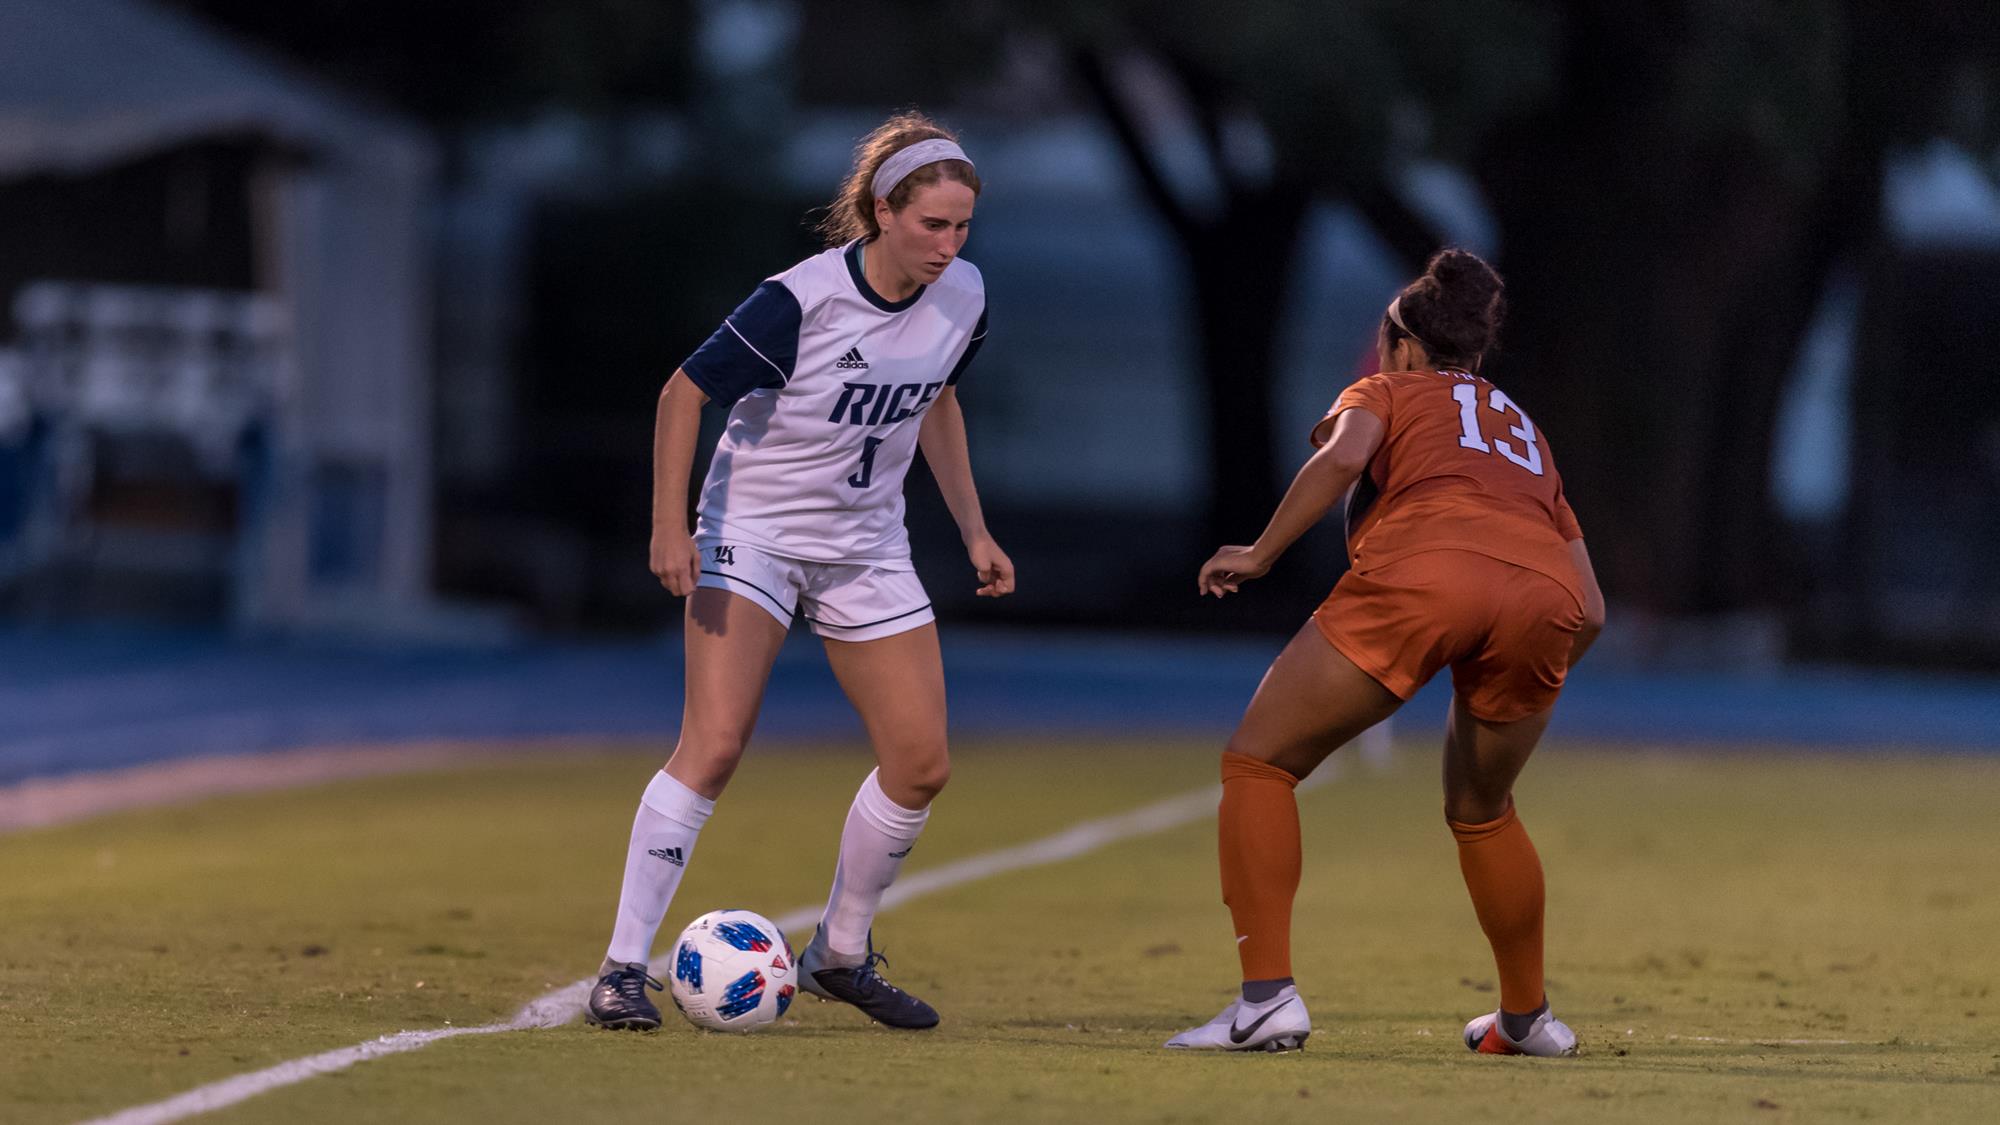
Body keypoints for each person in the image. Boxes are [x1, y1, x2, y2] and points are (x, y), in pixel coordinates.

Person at [584, 111, 1011, 1033]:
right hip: (754, 532)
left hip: (866, 542)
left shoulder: (963, 294)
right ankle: (621, 969)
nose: (949, 244)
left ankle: (840, 955)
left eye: (962, 225)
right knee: (717, 744)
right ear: (882, 211)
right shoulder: (803, 300)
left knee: (922, 762)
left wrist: (974, 528)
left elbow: (936, 401)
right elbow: (682, 392)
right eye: (932, 224)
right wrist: (669, 526)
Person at [1167, 248, 1606, 1056]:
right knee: (1483, 810)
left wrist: (1261, 554)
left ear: (1401, 343)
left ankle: (1265, 1001)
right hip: (1548, 597)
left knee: (1259, 764)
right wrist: (1512, 669)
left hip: (1427, 568)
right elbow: (1594, 608)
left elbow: (1342, 456)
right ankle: (1526, 1018)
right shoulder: (1522, 429)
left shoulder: (1385, 388)